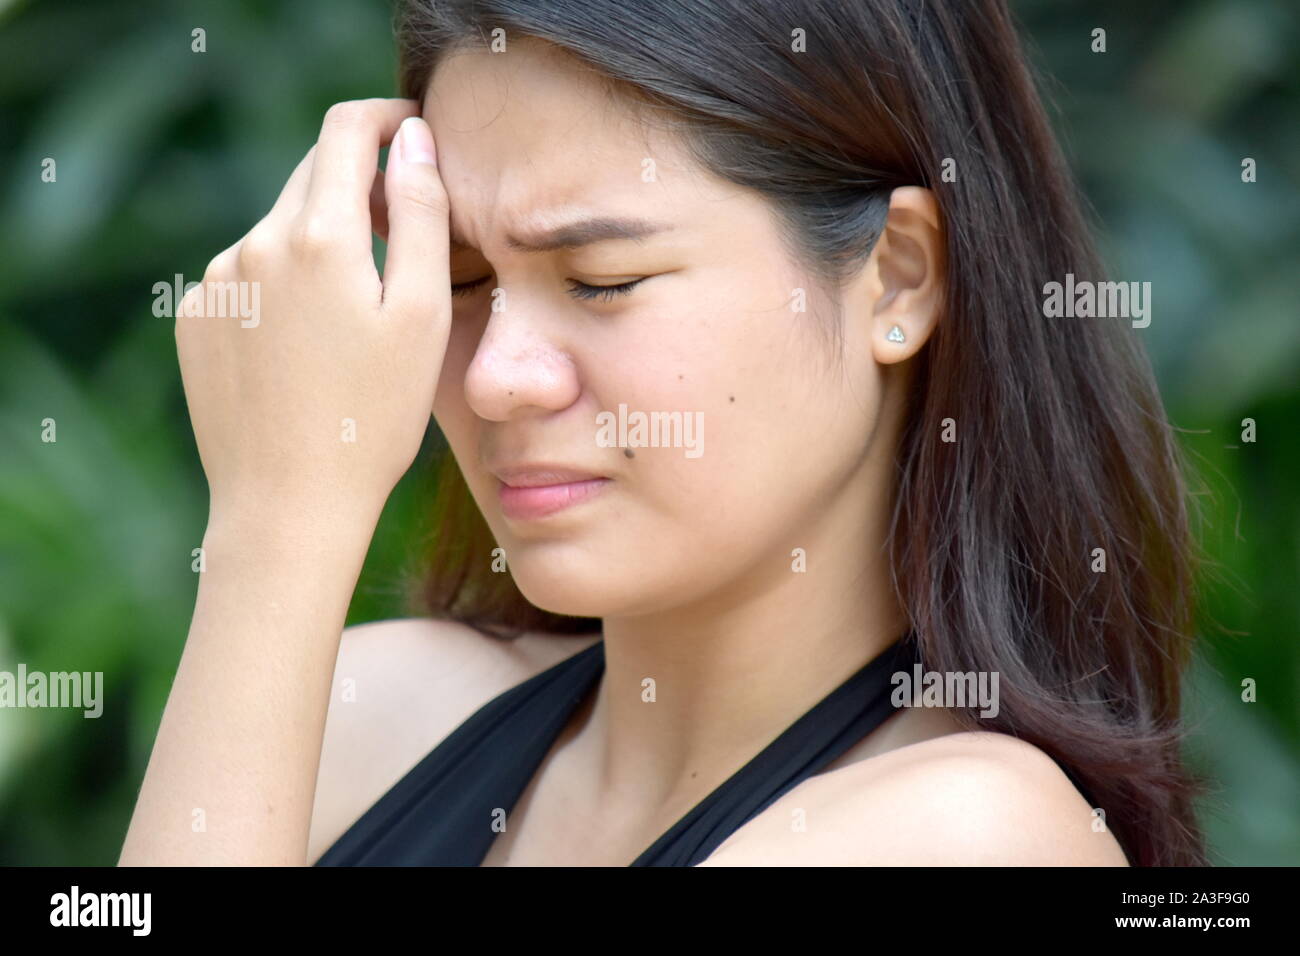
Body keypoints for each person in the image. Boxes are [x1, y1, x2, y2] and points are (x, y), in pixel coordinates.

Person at [120, 0, 1208, 867]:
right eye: (462, 277)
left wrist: (279, 526)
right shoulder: (373, 711)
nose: (497, 378)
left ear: (897, 276)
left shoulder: (968, 834)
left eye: (602, 281)